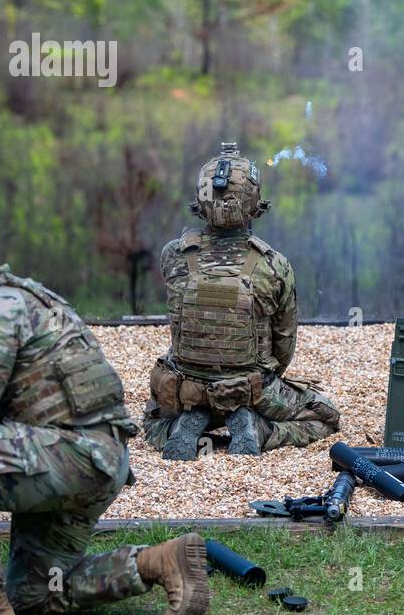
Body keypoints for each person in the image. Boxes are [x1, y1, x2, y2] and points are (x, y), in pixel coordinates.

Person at [0, 212, 209, 615]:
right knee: (34, 594)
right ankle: (158, 563)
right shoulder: (26, 298)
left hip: (70, 456)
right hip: (95, 460)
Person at [142, 142, 339, 460]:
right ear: (254, 205)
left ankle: (187, 425)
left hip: (184, 390)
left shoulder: (174, 255)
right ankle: (259, 429)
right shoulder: (274, 265)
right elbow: (283, 346)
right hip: (251, 391)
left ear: (200, 202)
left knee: (151, 422)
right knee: (325, 415)